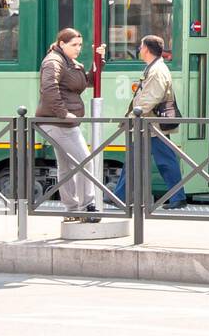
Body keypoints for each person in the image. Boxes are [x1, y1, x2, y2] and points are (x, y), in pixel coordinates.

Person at [36, 28, 106, 224]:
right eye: (74, 45)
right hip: (58, 122)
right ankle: (86, 207)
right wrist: (63, 114)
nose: (78, 49)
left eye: (80, 45)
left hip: (60, 121)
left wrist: (98, 60)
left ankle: (72, 209)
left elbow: (88, 81)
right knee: (85, 161)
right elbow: (49, 88)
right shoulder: (53, 61)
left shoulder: (70, 62)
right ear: (61, 44)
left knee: (66, 166)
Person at [113, 35, 187, 211]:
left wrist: (132, 116)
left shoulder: (157, 70)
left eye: (140, 45)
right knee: (136, 159)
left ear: (146, 48)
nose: (139, 49)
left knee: (164, 161)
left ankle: (178, 196)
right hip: (149, 123)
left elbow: (150, 98)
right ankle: (120, 196)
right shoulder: (154, 68)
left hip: (151, 124)